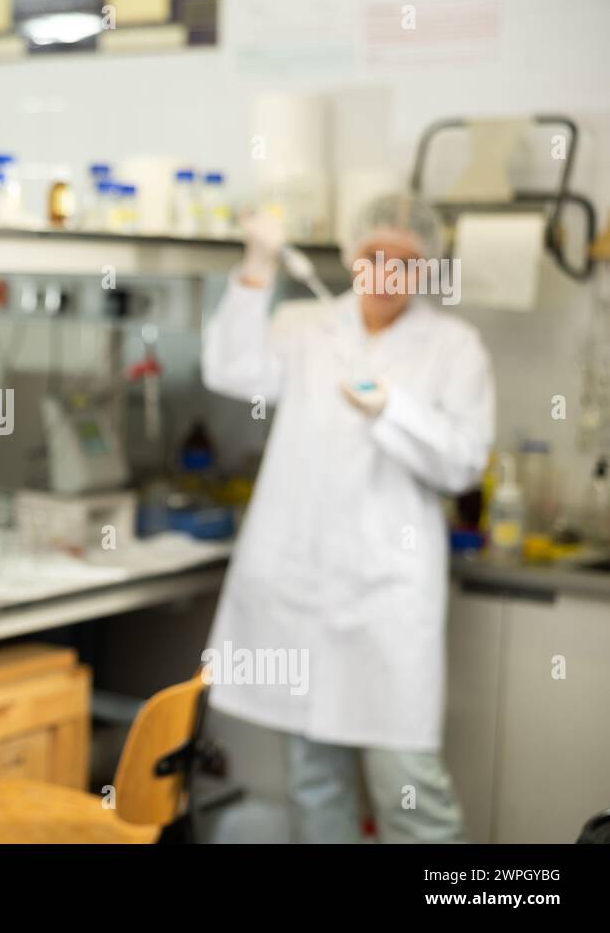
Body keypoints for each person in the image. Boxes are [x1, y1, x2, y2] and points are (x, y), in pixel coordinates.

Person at [200, 193, 496, 843]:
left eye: (405, 260)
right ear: (352, 258)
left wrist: (393, 411)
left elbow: (465, 463)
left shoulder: (453, 347)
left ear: (426, 269)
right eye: (374, 256)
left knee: (411, 793)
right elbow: (229, 367)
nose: (387, 271)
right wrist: (257, 266)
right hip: (301, 592)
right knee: (314, 785)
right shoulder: (309, 326)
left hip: (387, 603)